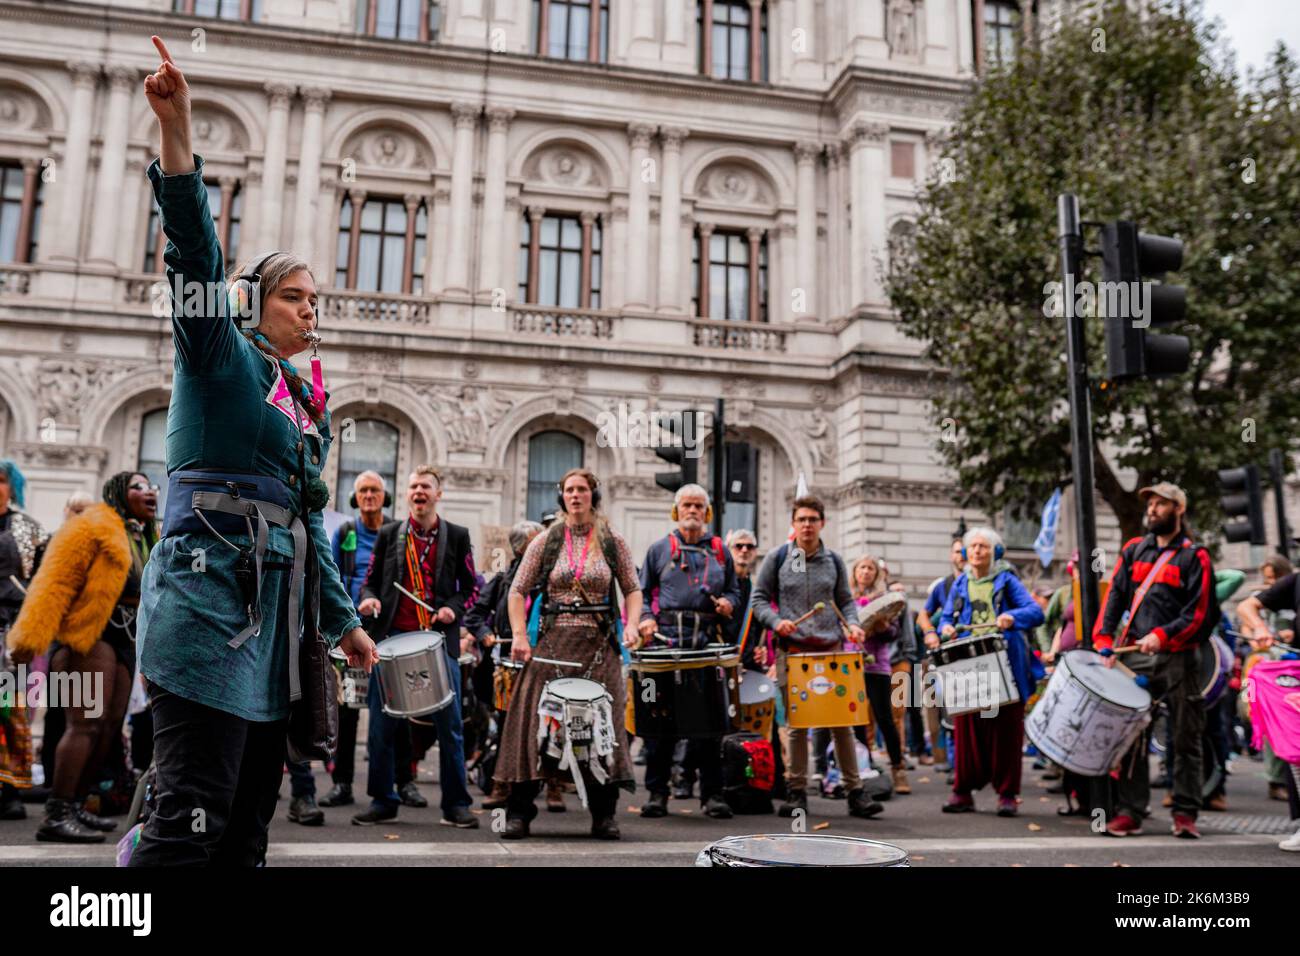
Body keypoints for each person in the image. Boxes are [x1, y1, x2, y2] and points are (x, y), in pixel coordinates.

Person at [128, 37, 376, 866]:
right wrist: (179, 131)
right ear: (253, 302)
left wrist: (344, 627)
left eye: (317, 299)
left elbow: (309, 522)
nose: (311, 311)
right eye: (294, 296)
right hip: (204, 616)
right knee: (188, 821)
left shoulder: (305, 403)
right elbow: (192, 256)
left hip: (275, 639)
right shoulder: (216, 355)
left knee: (245, 830)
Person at [7, 473, 159, 842]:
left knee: (108, 728)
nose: (150, 492)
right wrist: (28, 640)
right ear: (117, 493)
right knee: (85, 725)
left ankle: (76, 805)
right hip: (84, 637)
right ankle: (56, 813)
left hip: (123, 637)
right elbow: (53, 582)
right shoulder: (90, 526)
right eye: (137, 486)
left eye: (151, 486)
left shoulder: (144, 535)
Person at [497, 468, 643, 839]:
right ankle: (519, 811)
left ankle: (604, 815)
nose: (575, 496)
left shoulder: (613, 541)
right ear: (561, 497)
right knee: (533, 726)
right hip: (550, 647)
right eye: (568, 490)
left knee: (601, 728)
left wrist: (632, 624)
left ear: (594, 494)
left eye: (582, 489)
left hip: (599, 647)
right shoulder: (546, 541)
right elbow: (517, 590)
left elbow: (633, 588)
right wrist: (519, 635)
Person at [353, 465, 478, 827]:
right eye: (413, 486)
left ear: (438, 494)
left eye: (426, 486)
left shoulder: (456, 536)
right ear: (407, 494)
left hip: (438, 645)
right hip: (392, 643)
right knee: (381, 727)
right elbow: (370, 582)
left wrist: (452, 610)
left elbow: (469, 588)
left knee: (450, 727)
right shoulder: (390, 534)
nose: (418, 491)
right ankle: (382, 800)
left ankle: (456, 803)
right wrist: (370, 600)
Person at [1093, 482, 1219, 839]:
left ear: (1178, 510)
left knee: (1185, 737)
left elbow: (1199, 614)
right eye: (1150, 504)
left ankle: (1185, 813)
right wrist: (1104, 638)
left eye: (1160, 504)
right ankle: (1131, 811)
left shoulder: (1196, 557)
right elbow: (1115, 595)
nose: (1151, 509)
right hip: (1136, 658)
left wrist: (1162, 635)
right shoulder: (1134, 550)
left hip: (1179, 659)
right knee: (1132, 735)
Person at [750, 495, 881, 820]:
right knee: (796, 725)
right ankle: (796, 793)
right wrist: (774, 620)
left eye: (812, 519)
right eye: (801, 519)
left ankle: (855, 793)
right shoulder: (778, 558)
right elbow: (758, 599)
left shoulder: (834, 561)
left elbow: (846, 602)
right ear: (793, 524)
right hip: (792, 651)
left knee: (842, 723)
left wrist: (852, 624)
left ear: (822, 523)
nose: (807, 525)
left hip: (831, 651)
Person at [636, 484, 741, 820]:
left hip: (706, 648)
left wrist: (729, 603)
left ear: (707, 512)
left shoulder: (720, 551)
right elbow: (640, 593)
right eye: (687, 506)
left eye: (699, 506)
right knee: (658, 726)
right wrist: (646, 620)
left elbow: (736, 593)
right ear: (676, 510)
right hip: (663, 648)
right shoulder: (657, 550)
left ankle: (712, 796)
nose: (692, 511)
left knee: (709, 727)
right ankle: (656, 793)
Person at [938, 526, 1044, 817]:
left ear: (994, 552)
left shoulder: (1008, 580)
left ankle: (1007, 794)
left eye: (983, 547)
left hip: (1005, 663)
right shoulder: (960, 583)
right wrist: (945, 627)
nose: (976, 551)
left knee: (1006, 730)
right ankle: (963, 792)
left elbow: (1035, 612)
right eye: (972, 547)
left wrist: (1012, 616)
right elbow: (946, 617)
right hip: (969, 664)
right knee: (966, 730)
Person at [313, 471, 395, 813]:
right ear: (354, 497)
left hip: (387, 626)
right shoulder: (346, 532)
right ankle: (342, 783)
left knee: (392, 708)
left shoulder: (394, 532)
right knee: (347, 709)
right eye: (363, 491)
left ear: (385, 496)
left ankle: (401, 781)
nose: (369, 496)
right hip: (351, 627)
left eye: (375, 490)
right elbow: (327, 571)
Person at [463, 519, 544, 810]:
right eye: (537, 543)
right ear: (523, 549)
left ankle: (554, 786)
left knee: (545, 726)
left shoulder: (550, 580)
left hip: (543, 664)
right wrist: (485, 635)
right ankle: (501, 784)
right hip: (507, 665)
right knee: (508, 726)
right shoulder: (502, 581)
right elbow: (473, 616)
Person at [1231, 557, 1300, 849]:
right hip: (1295, 673)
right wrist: (1260, 628)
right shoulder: (1296, 581)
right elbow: (1246, 606)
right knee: (1293, 749)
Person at [851, 555, 910, 794]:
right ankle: (866, 765)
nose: (865, 572)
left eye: (870, 569)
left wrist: (883, 628)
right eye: (861, 567)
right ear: (855, 572)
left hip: (877, 667)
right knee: (857, 720)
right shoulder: (847, 599)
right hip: (851, 665)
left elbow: (894, 633)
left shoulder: (883, 599)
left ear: (876, 574)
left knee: (885, 718)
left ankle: (898, 768)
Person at [918, 536, 964, 770]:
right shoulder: (942, 587)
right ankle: (953, 763)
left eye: (963, 550)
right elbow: (922, 615)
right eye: (957, 551)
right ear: (951, 555)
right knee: (947, 710)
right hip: (947, 656)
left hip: (975, 657)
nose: (961, 555)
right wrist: (930, 633)